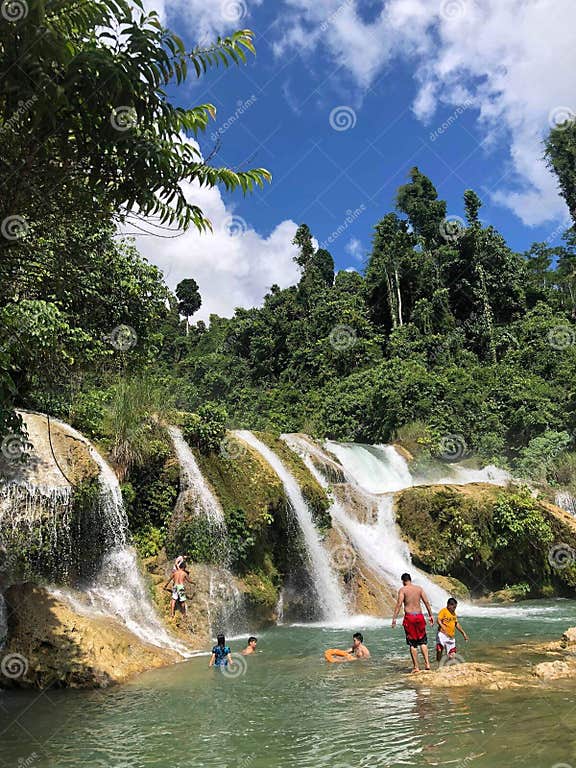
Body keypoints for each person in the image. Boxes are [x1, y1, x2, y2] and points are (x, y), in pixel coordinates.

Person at [391, 572, 434, 673]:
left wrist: (394, 618)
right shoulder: (419, 589)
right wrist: (431, 615)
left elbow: (399, 604)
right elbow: (426, 602)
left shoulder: (403, 590)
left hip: (409, 617)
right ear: (410, 580)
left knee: (413, 644)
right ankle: (427, 664)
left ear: (403, 581)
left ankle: (416, 667)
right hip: (419, 616)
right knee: (423, 641)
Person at [436, 598, 468, 662]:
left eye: (455, 607)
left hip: (451, 636)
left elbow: (456, 624)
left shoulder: (454, 613)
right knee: (439, 650)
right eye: (453, 607)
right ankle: (439, 663)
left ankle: (449, 665)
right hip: (442, 634)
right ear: (448, 605)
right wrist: (442, 626)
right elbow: (438, 620)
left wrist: (463, 633)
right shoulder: (443, 611)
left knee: (452, 655)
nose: (454, 609)